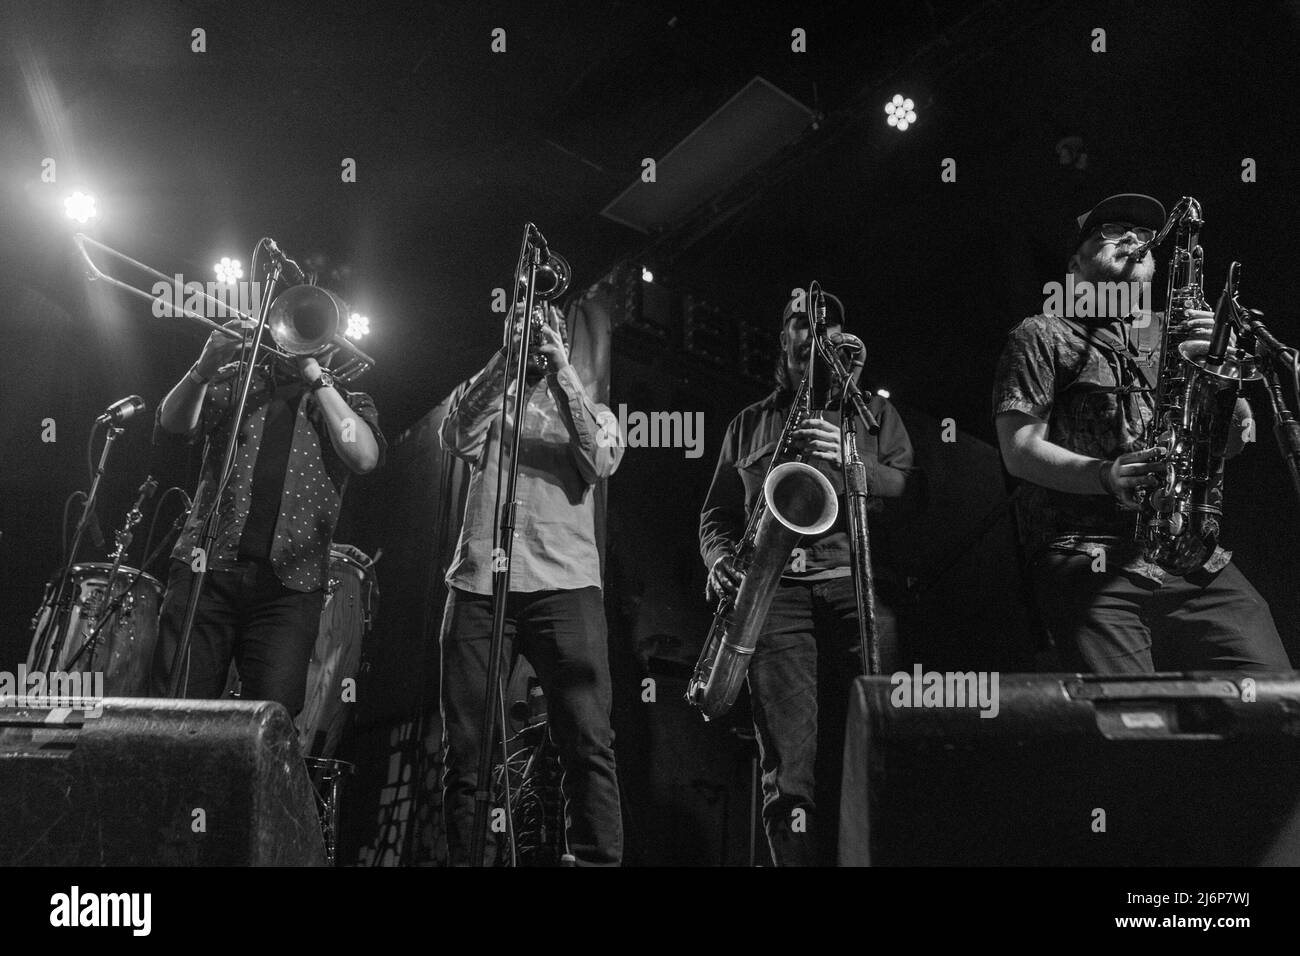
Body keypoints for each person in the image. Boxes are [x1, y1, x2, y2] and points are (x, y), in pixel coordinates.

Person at [993, 192, 1291, 674]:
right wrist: (1105, 475)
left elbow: (1229, 445)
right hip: (1087, 553)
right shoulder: (1041, 332)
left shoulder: (1177, 334)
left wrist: (1222, 364)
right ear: (1074, 262)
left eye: (1145, 236)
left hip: (1191, 554)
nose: (1134, 238)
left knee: (1279, 703)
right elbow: (1019, 449)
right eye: (1111, 231)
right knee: (1134, 726)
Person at [699, 291, 921, 867]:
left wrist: (853, 462)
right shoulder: (748, 423)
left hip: (858, 588)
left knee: (879, 745)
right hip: (773, 596)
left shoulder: (873, 413)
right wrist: (719, 557)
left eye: (828, 323)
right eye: (802, 320)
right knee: (788, 770)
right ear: (784, 338)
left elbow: (912, 494)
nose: (814, 331)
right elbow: (717, 513)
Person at [438, 291, 623, 866]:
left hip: (565, 584)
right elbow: (456, 437)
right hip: (479, 583)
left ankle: (594, 862)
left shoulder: (595, 408)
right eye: (524, 322)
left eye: (545, 327)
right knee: (466, 752)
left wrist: (562, 371)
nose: (536, 333)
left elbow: (597, 461)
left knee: (587, 742)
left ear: (565, 338)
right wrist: (505, 359)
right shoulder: (491, 393)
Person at [150, 318, 384, 715]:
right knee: (175, 711)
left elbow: (363, 457)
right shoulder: (237, 383)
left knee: (269, 721)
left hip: (290, 587)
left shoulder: (349, 401)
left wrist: (317, 379)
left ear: (334, 340)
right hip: (205, 570)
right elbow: (171, 424)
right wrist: (203, 367)